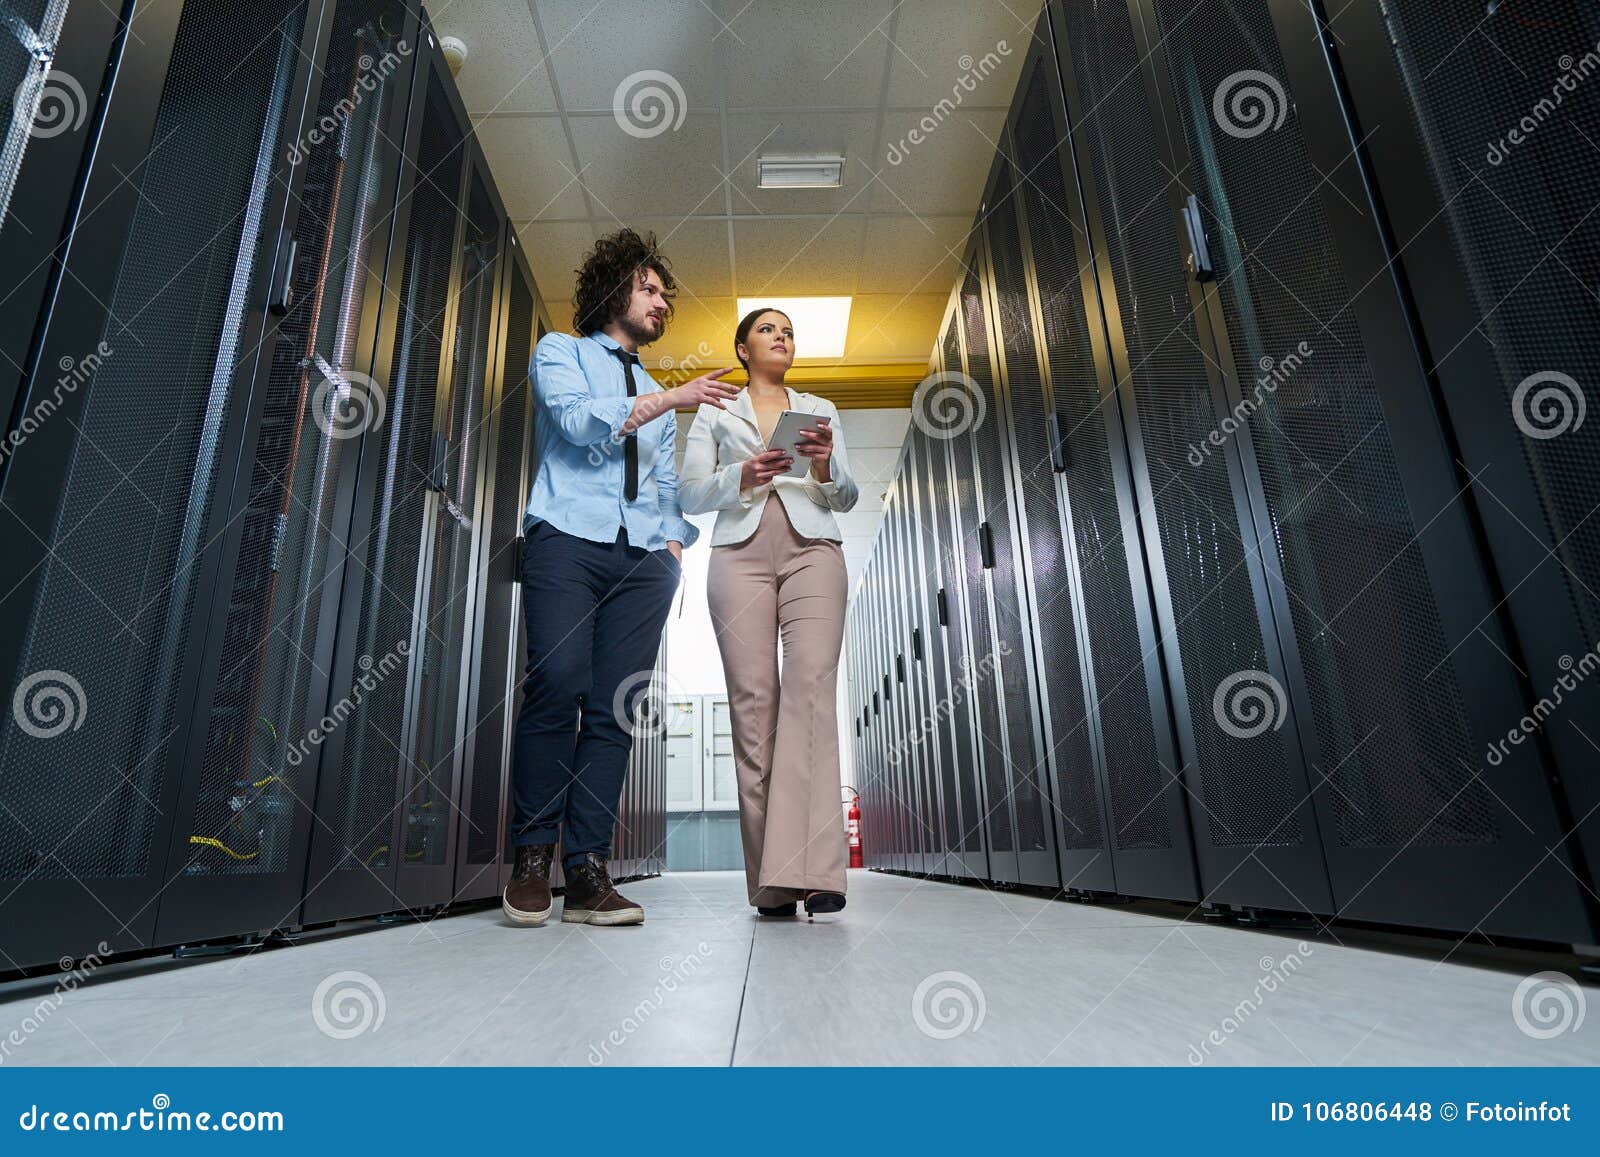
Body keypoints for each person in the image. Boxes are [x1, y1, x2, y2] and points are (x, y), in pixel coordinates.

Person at [503, 228, 739, 927]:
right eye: (649, 288)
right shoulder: (561, 351)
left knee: (614, 711)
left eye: (664, 294)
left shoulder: (659, 392)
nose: (661, 302)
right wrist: (669, 401)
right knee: (558, 681)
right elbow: (578, 425)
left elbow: (666, 484)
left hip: (642, 561)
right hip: (566, 542)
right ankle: (531, 859)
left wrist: (671, 548)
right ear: (614, 290)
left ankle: (587, 871)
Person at [679, 307, 859, 919]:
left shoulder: (820, 409)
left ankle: (817, 870)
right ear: (742, 347)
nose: (782, 337)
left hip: (814, 548)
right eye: (768, 330)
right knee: (754, 707)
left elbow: (848, 495)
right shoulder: (714, 410)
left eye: (788, 331)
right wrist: (742, 475)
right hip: (739, 556)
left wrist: (824, 466)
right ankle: (774, 883)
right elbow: (689, 492)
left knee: (810, 688)